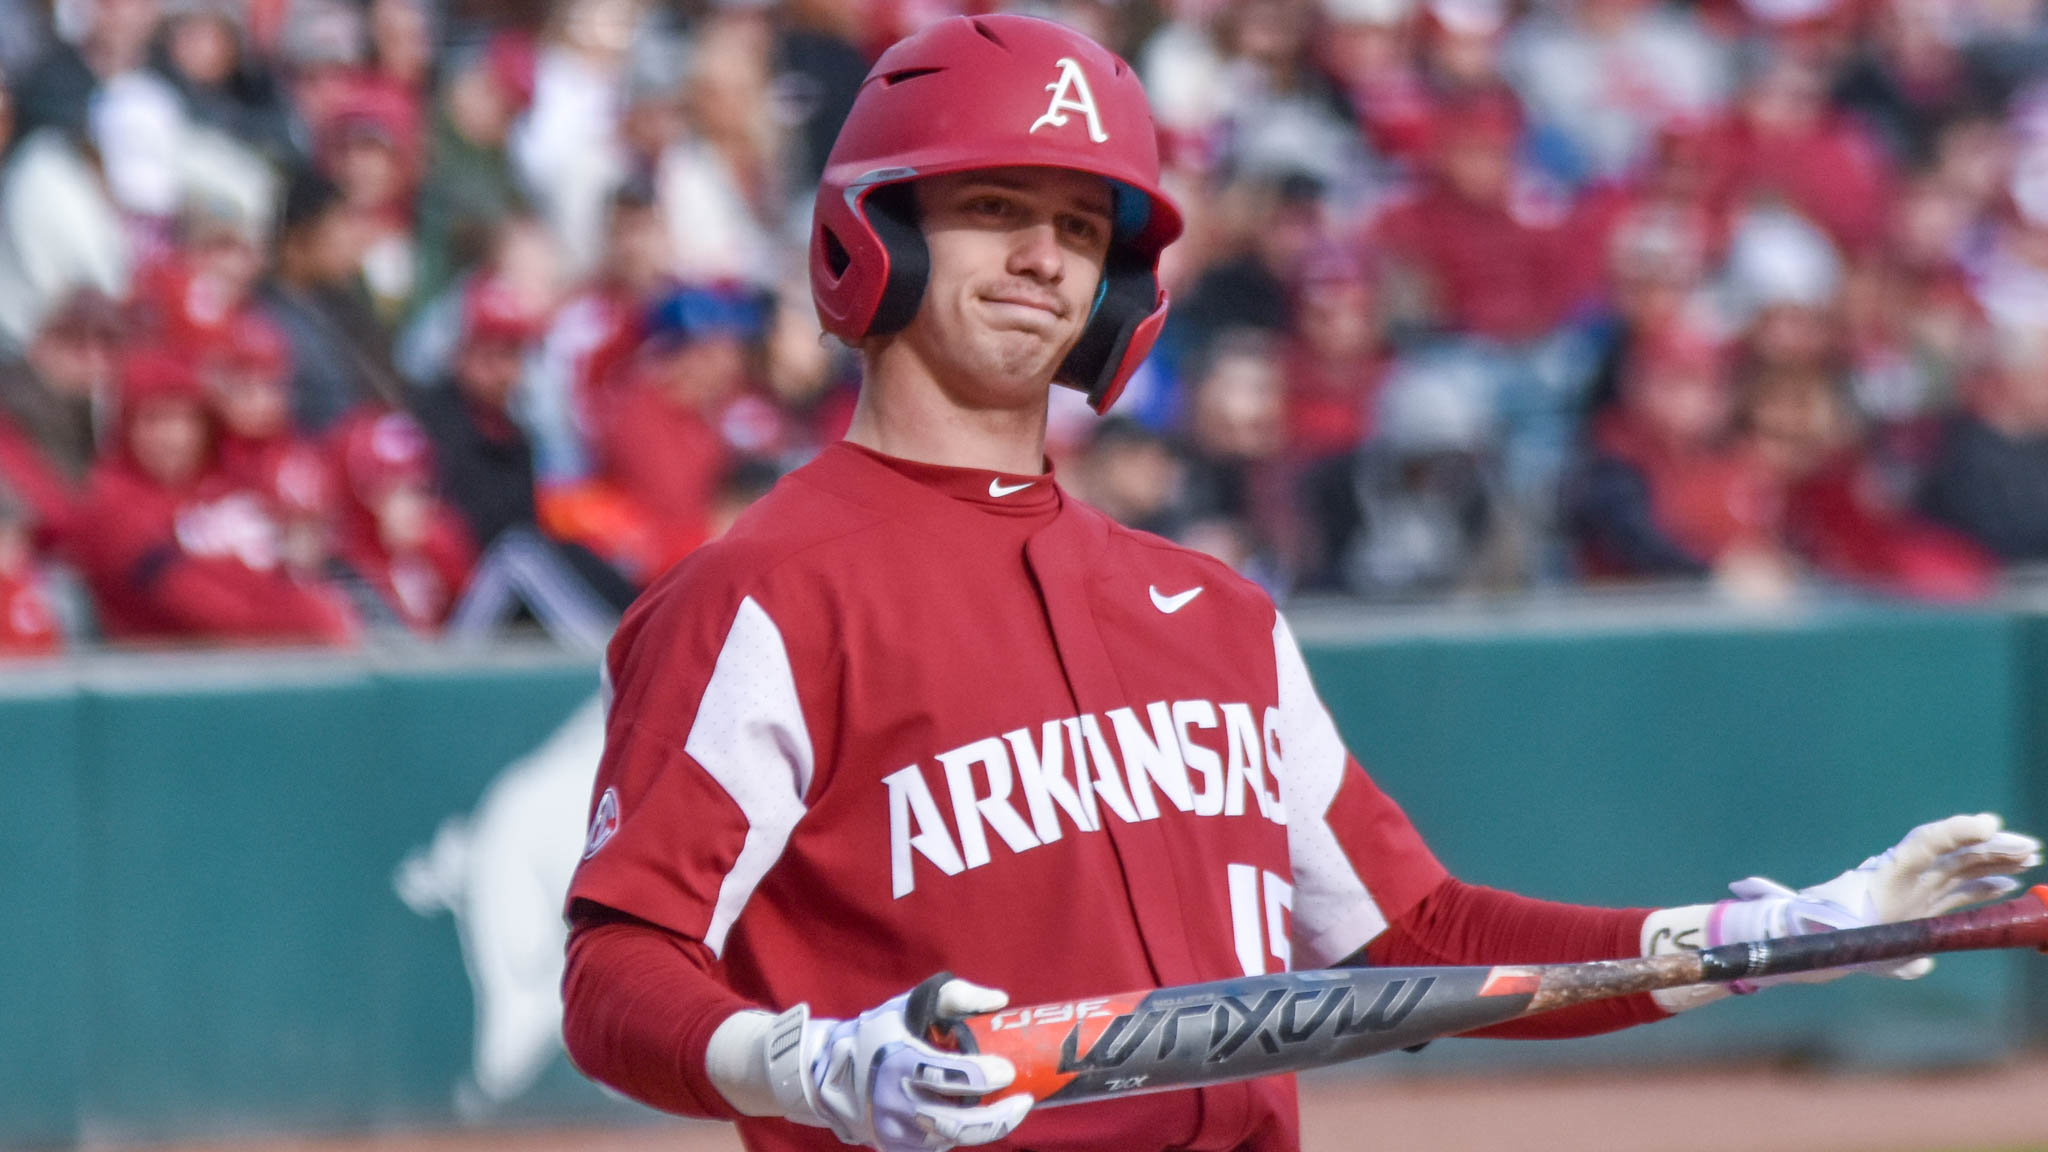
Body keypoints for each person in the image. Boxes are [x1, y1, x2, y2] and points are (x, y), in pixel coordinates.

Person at [559, 17, 2042, 1152]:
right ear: (872, 238)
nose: (1044, 260)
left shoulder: (1217, 614)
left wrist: (1771, 941)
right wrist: (809, 1063)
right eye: (995, 207)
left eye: (1083, 230)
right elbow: (619, 968)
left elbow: (1422, 941)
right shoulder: (759, 594)